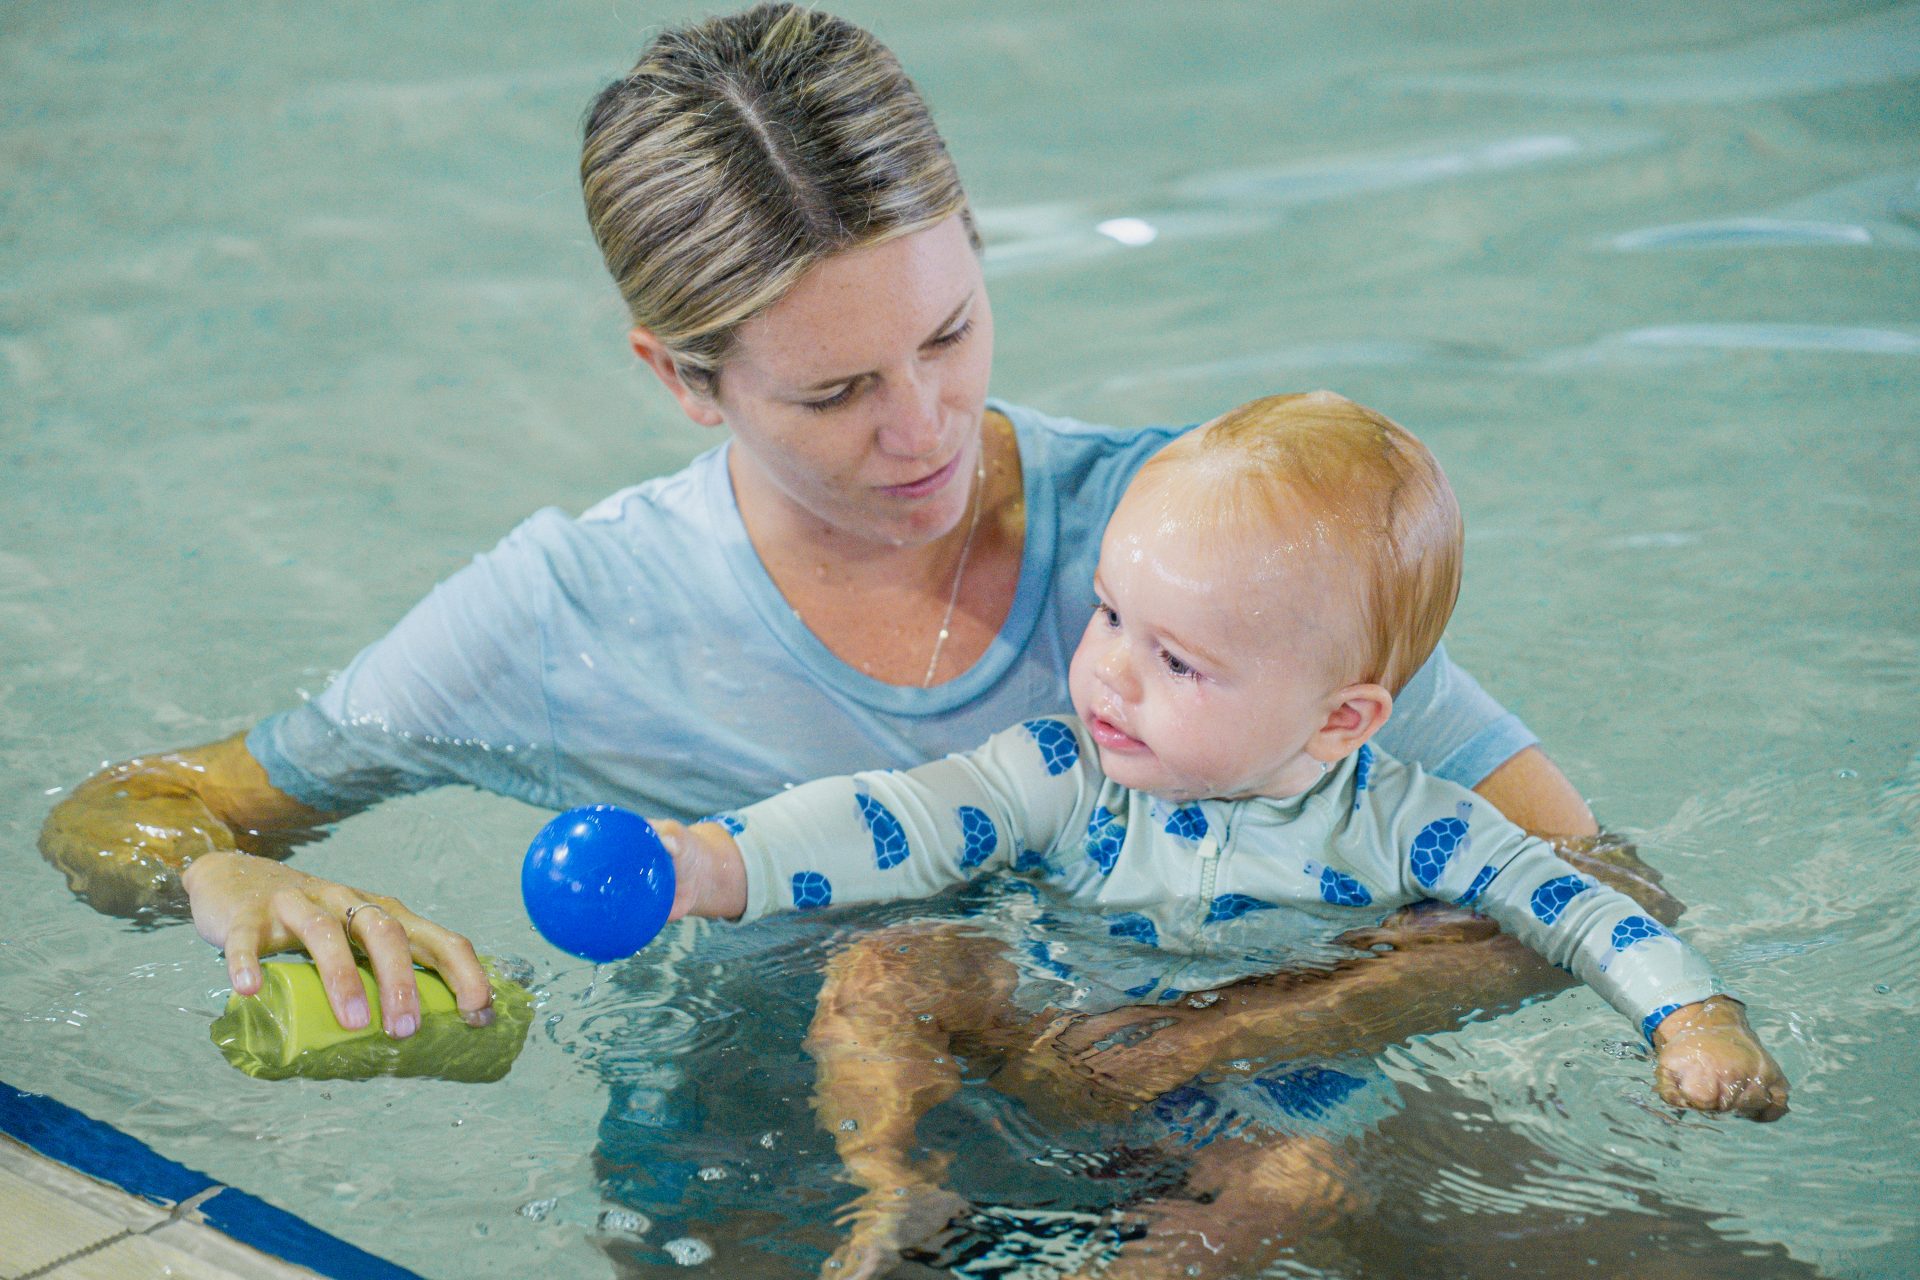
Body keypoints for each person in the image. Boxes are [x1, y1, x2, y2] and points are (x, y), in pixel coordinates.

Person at [47, 4, 1630, 1116]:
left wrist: (1211, 1041)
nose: (927, 425)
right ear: (680, 378)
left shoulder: (1189, 542)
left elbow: (1596, 883)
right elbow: (122, 812)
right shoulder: (571, 616)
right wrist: (218, 868)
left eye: (950, 332)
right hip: (793, 1160)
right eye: (834, 392)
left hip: (1255, 1127)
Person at [648, 391, 1789, 1277]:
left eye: (1178, 660)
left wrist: (1693, 1014)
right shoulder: (1066, 767)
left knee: (1291, 1176)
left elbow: (1577, 901)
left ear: (1341, 716)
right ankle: (899, 1186)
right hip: (1048, 1010)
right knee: (888, 966)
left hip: (1272, 1090)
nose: (1108, 673)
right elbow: (896, 819)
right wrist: (716, 859)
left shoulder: (1409, 823)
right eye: (1108, 614)